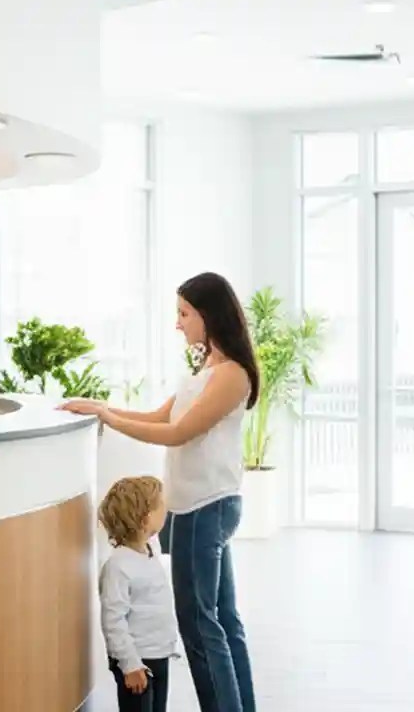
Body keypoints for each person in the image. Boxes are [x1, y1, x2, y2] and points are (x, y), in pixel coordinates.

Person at [62, 271, 258, 712]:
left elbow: (177, 433)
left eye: (184, 313)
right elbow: (159, 416)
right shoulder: (207, 368)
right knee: (222, 618)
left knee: (200, 624)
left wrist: (111, 421)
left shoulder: (231, 375)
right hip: (195, 505)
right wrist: (103, 408)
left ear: (209, 315)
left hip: (207, 507)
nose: (178, 323)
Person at [98, 475, 178, 712]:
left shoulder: (150, 550)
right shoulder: (119, 566)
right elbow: (113, 620)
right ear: (145, 519)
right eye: (160, 505)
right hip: (136, 661)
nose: (166, 507)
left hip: (158, 654)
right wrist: (130, 664)